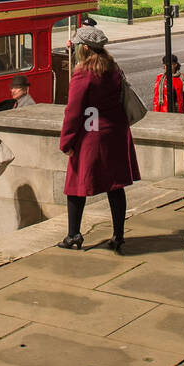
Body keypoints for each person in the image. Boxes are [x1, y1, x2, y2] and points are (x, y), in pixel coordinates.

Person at [58, 25, 140, 254]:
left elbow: (73, 112)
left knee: (75, 187)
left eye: (76, 46)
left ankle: (73, 234)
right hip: (115, 134)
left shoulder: (83, 73)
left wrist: (66, 143)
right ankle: (118, 234)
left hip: (90, 137)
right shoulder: (112, 68)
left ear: (84, 48)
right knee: (115, 186)